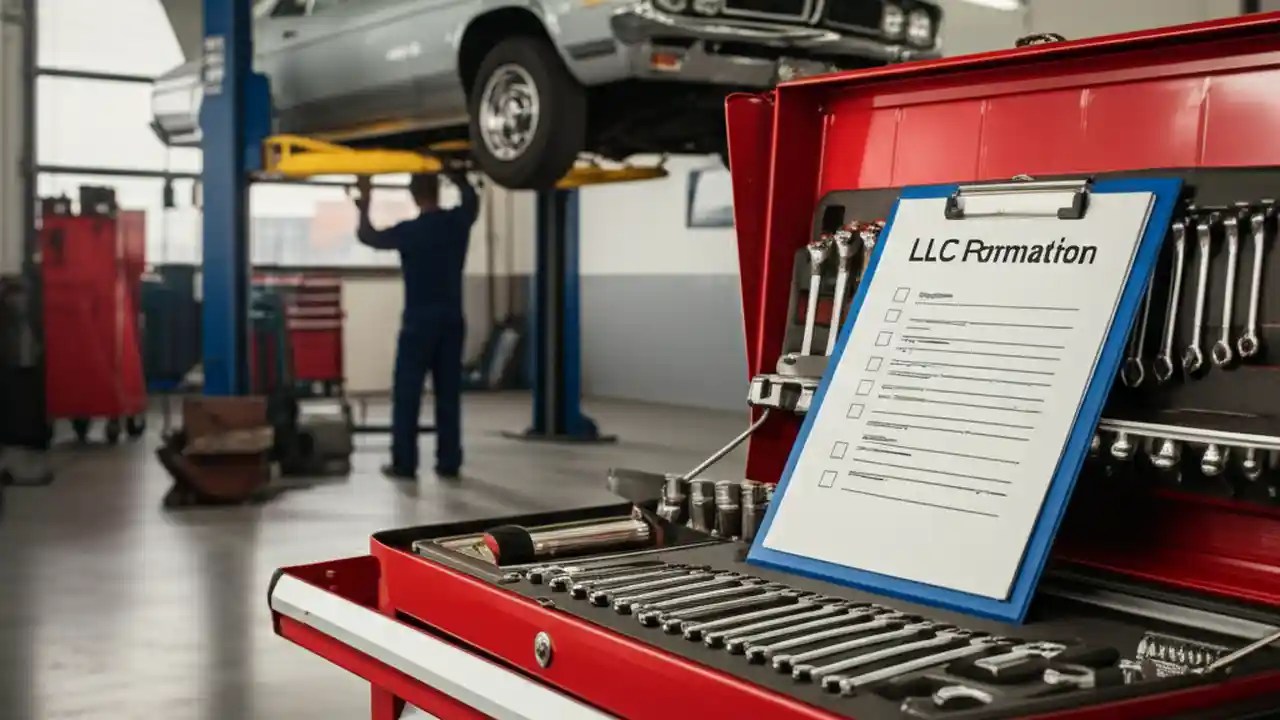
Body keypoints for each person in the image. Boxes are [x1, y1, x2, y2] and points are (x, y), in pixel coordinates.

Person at [354, 170, 478, 480]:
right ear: (437, 190)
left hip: (418, 322)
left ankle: (404, 463)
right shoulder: (455, 225)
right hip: (451, 320)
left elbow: (368, 236)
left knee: (407, 394)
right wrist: (459, 175)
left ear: (413, 195)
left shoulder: (411, 231)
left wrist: (365, 199)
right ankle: (449, 462)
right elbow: (472, 202)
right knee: (448, 393)